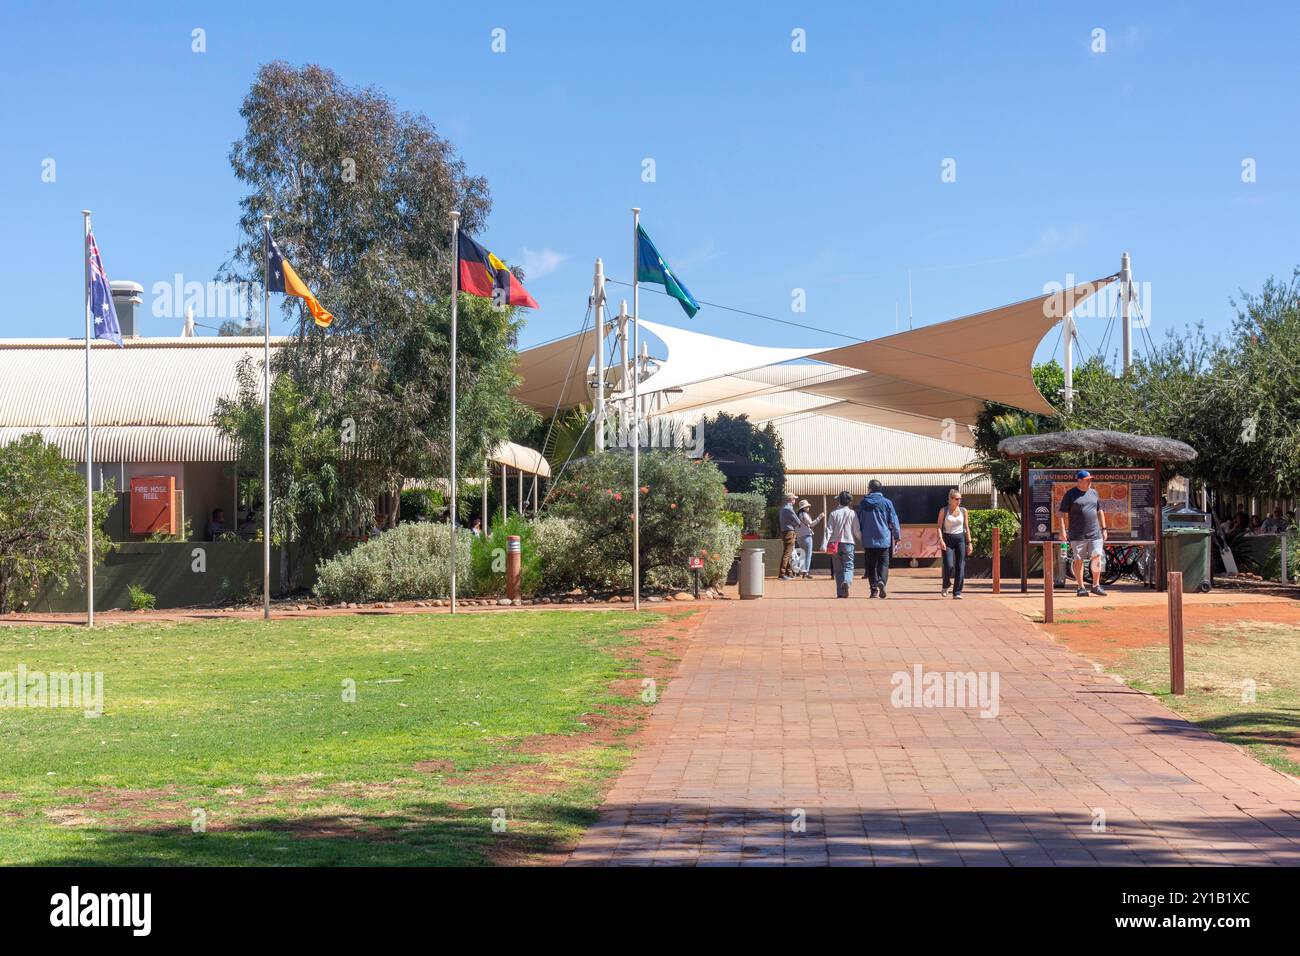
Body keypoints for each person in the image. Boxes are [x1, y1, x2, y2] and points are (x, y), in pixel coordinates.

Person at [1058, 469, 1108, 597]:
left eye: (1090, 480)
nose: (1090, 482)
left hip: (1095, 534)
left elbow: (1100, 511)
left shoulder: (1094, 493)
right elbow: (1061, 514)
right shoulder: (1070, 494)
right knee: (1078, 560)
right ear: (1079, 481)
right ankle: (1080, 587)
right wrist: (1063, 531)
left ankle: (1096, 585)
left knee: (1097, 557)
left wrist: (1104, 528)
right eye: (1087, 480)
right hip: (1077, 535)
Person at [857, 479, 901, 598]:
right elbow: (893, 520)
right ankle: (882, 581)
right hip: (883, 538)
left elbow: (858, 520)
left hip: (868, 540)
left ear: (870, 489)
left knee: (871, 566)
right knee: (884, 563)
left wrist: (860, 532)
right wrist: (897, 536)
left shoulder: (863, 503)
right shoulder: (887, 503)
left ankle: (873, 590)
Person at [937, 489, 973, 599]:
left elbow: (966, 527)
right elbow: (939, 527)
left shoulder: (963, 511)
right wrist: (941, 540)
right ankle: (946, 584)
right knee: (949, 565)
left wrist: (969, 543)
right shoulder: (944, 510)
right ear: (951, 499)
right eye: (957, 499)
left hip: (960, 539)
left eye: (960, 499)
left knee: (960, 565)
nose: (959, 501)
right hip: (947, 539)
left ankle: (957, 592)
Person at [824, 491, 861, 598]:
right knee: (849, 566)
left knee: (838, 569)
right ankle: (847, 582)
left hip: (835, 543)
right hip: (849, 543)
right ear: (850, 502)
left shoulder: (833, 513)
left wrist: (824, 543)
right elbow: (857, 530)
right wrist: (862, 541)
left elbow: (828, 530)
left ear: (839, 500)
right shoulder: (852, 513)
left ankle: (840, 593)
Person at [794, 499, 823, 579]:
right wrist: (819, 517)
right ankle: (806, 572)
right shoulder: (805, 515)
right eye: (807, 506)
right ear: (804, 508)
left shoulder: (797, 516)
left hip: (799, 537)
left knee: (802, 555)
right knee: (808, 555)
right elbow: (811, 524)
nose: (808, 508)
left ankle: (800, 571)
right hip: (807, 536)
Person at [778, 493, 800, 580]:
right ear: (791, 499)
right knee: (787, 554)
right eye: (794, 498)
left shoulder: (783, 508)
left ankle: (789, 572)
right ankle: (782, 574)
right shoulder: (789, 509)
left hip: (784, 532)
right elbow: (797, 521)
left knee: (788, 553)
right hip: (789, 532)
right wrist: (795, 524)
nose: (795, 500)